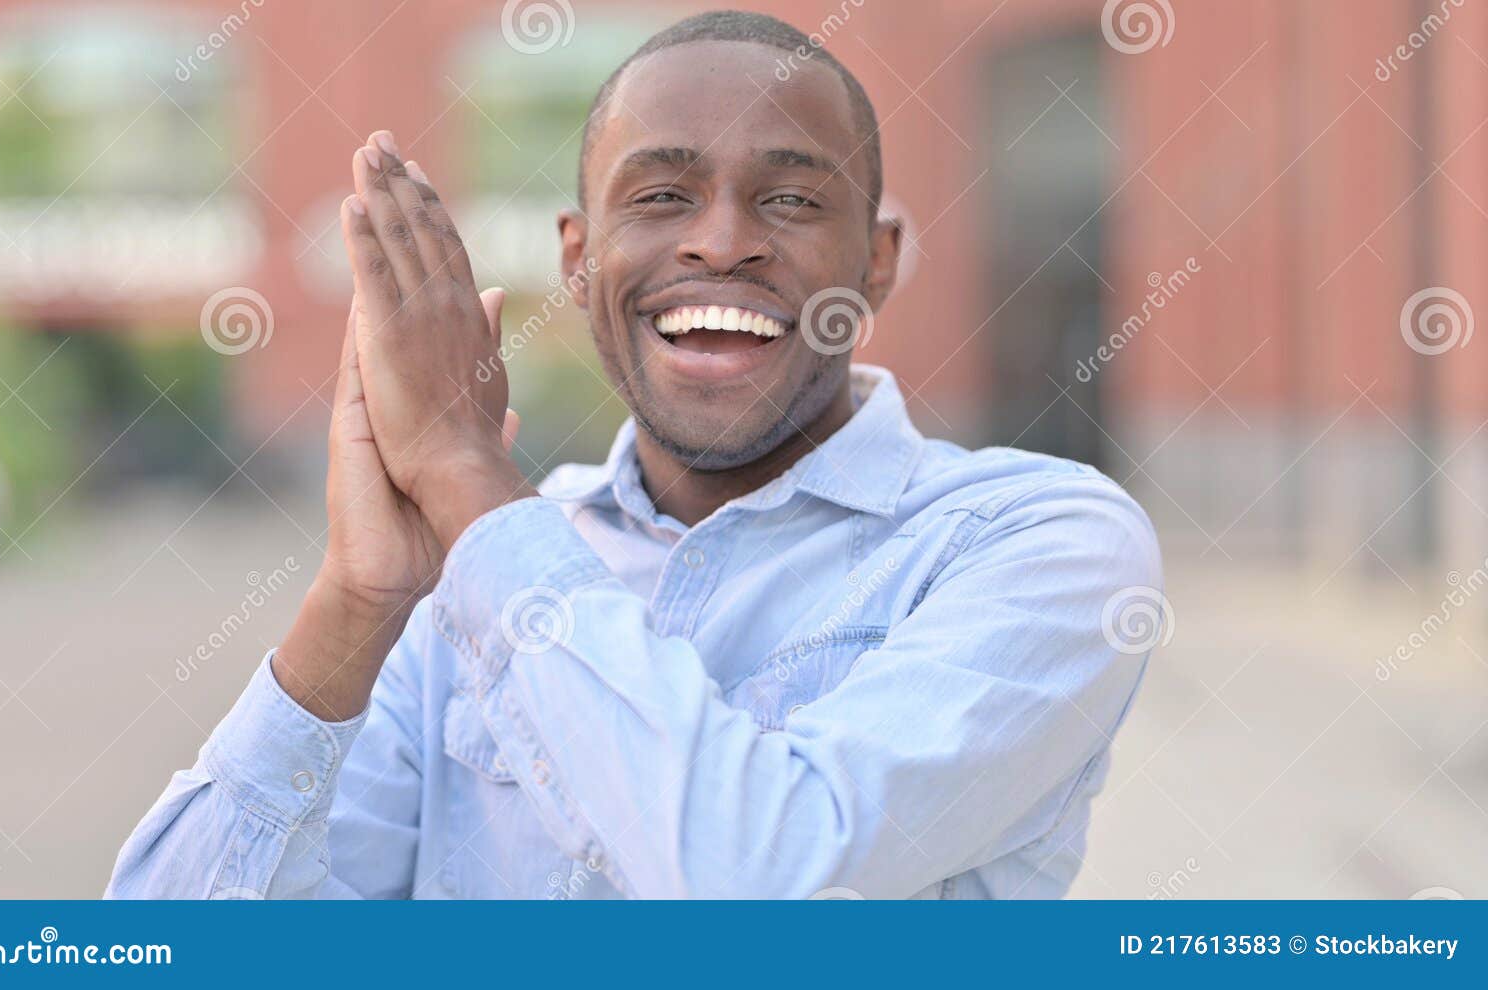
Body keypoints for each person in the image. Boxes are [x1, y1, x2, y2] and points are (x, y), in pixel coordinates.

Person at [107, 10, 1161, 900]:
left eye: (790, 199)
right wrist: (356, 603)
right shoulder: (454, 582)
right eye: (660, 196)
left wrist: (467, 479)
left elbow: (760, 879)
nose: (719, 241)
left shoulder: (1035, 543)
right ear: (578, 259)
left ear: (876, 262)